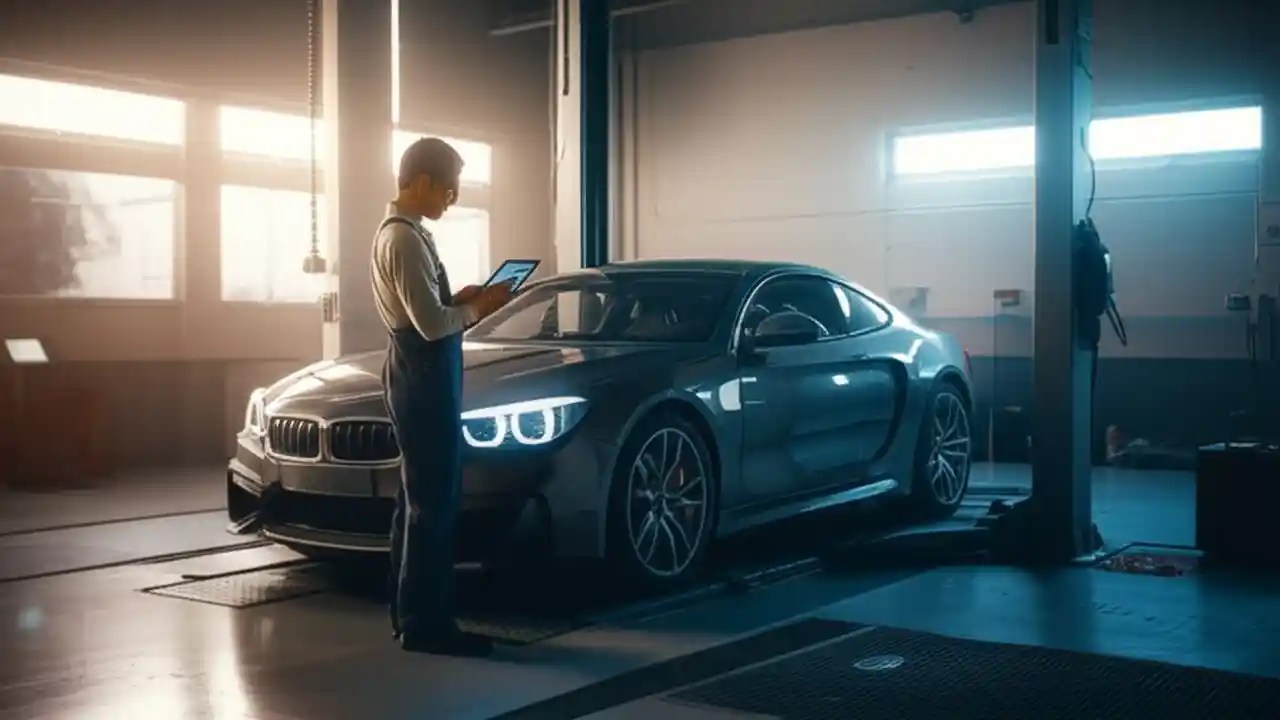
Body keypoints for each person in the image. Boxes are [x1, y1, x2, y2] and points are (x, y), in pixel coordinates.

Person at [371, 137, 513, 656]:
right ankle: (428, 625)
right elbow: (431, 327)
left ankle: (408, 613)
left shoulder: (406, 234)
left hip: (417, 370)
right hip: (423, 372)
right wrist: (482, 308)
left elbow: (426, 309)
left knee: (416, 500)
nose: (452, 199)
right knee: (433, 505)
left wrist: (461, 299)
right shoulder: (404, 240)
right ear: (422, 181)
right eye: (448, 190)